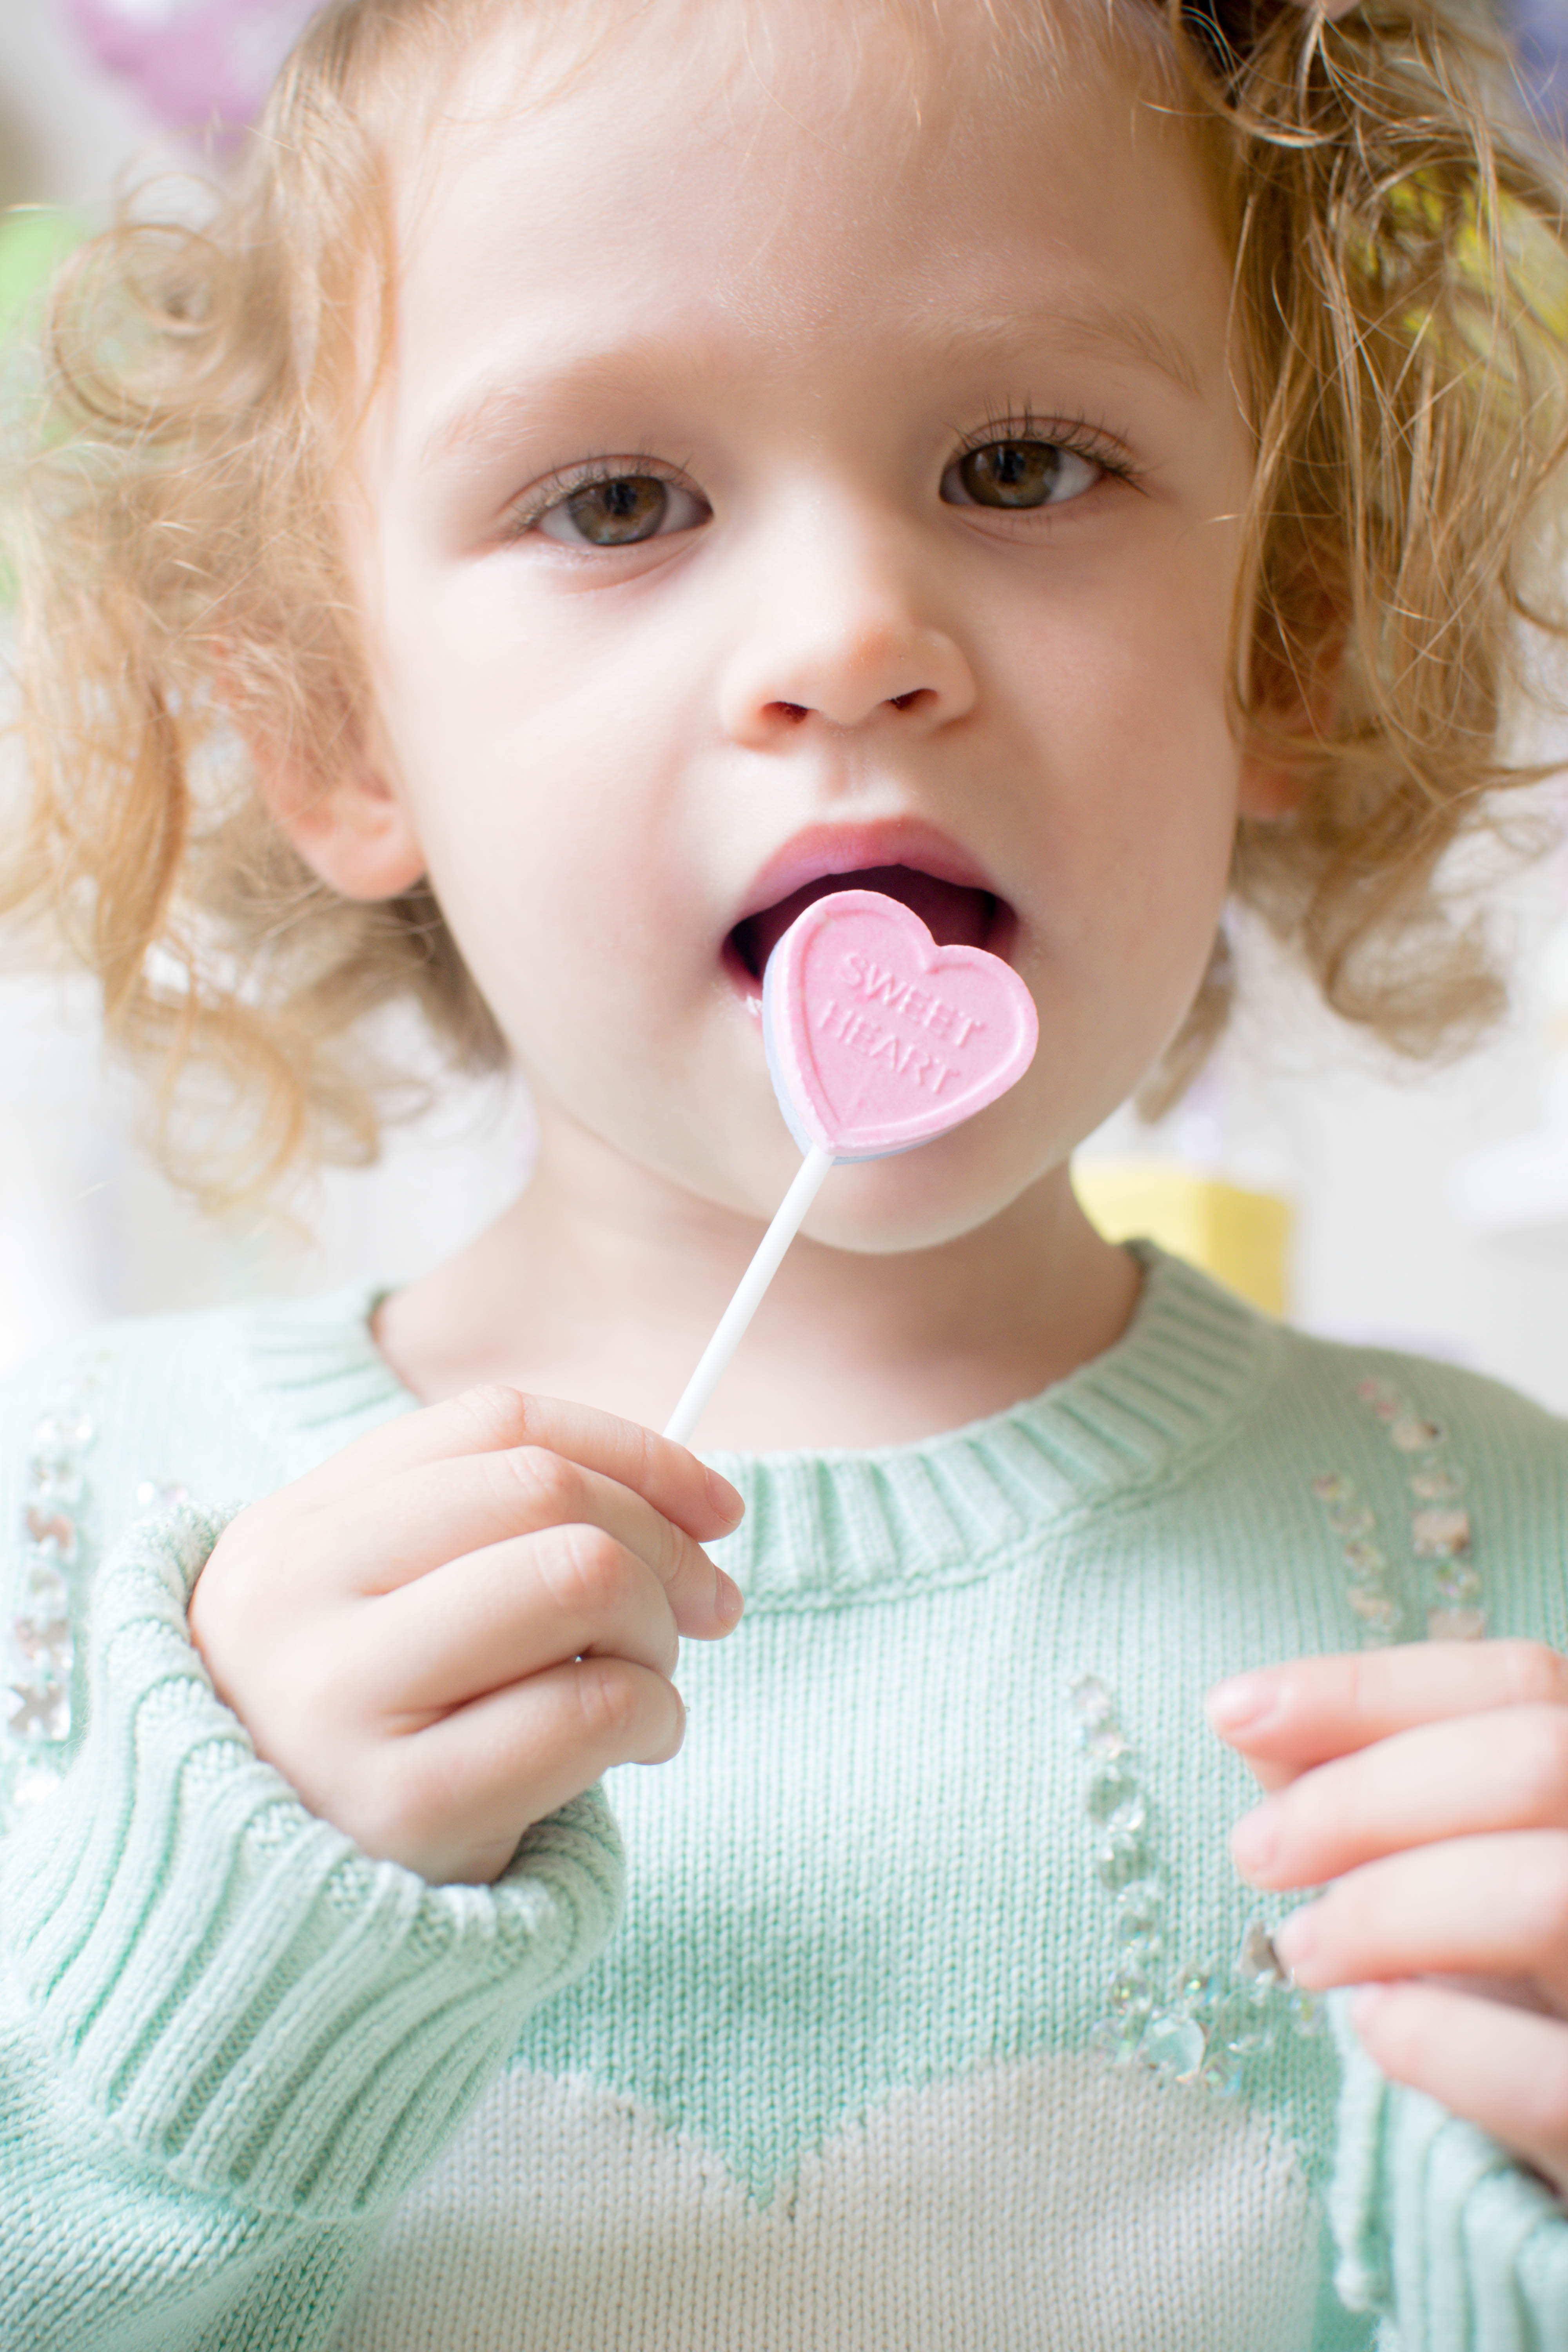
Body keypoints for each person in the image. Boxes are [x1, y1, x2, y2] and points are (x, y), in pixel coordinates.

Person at [2, 0, 1568, 2340]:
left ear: (1292, 632)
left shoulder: (1505, 1582)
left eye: (1023, 463)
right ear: (331, 720)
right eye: (617, 504)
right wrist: (197, 1999)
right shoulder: (70, 1549)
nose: (849, 639)